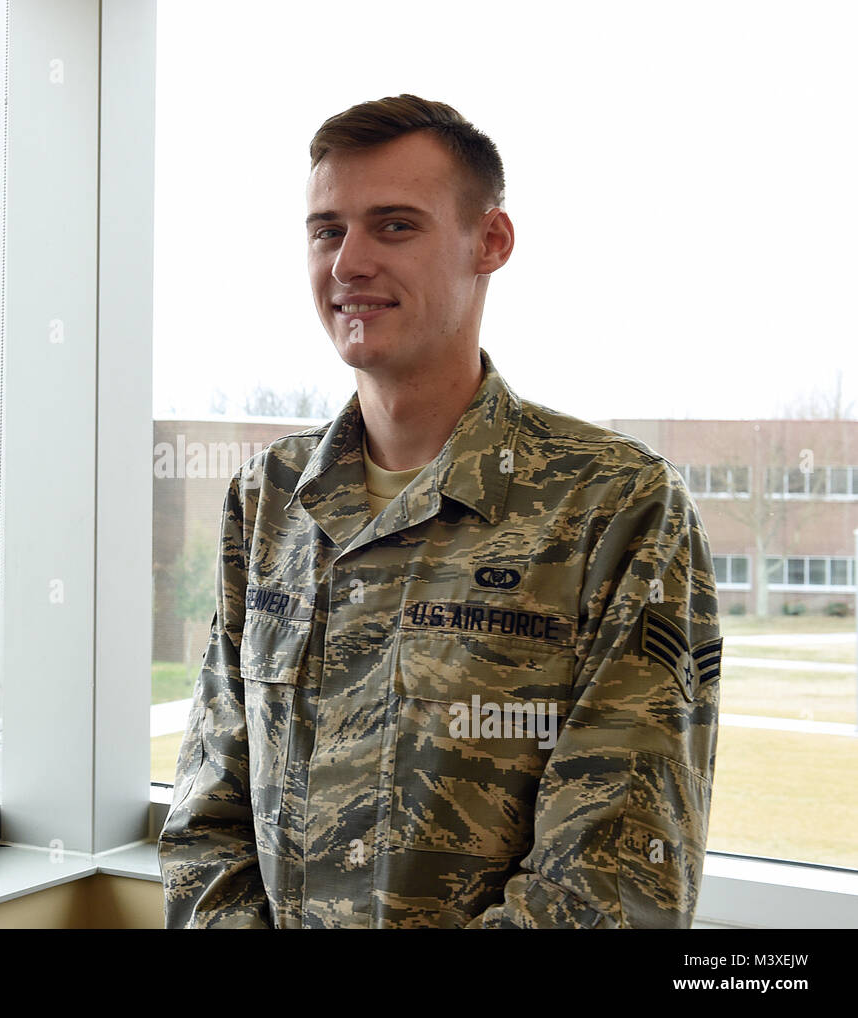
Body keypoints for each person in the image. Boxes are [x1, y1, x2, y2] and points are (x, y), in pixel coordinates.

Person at [156, 95, 721, 928]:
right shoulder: (268, 499)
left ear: (489, 242)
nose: (348, 263)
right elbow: (206, 824)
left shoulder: (616, 505)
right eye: (326, 230)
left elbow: (611, 884)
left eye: (394, 226)